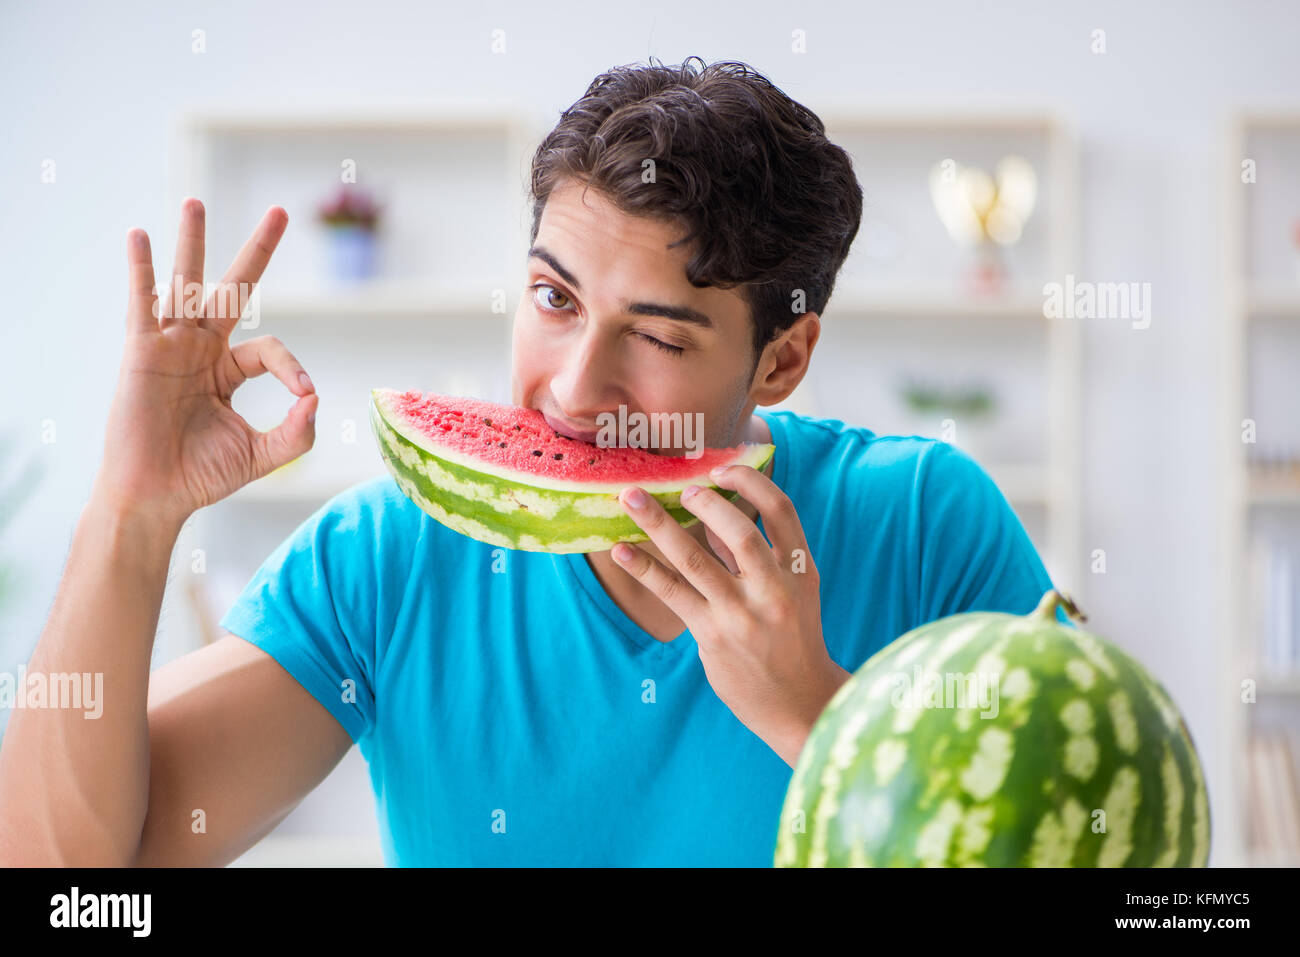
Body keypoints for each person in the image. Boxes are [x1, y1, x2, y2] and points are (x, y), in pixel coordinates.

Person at [0, 56, 1061, 867]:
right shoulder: (391, 556)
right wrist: (131, 512)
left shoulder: (925, 524)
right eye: (554, 300)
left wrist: (815, 715)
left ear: (780, 359)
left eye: (653, 336)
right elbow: (71, 874)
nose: (568, 386)